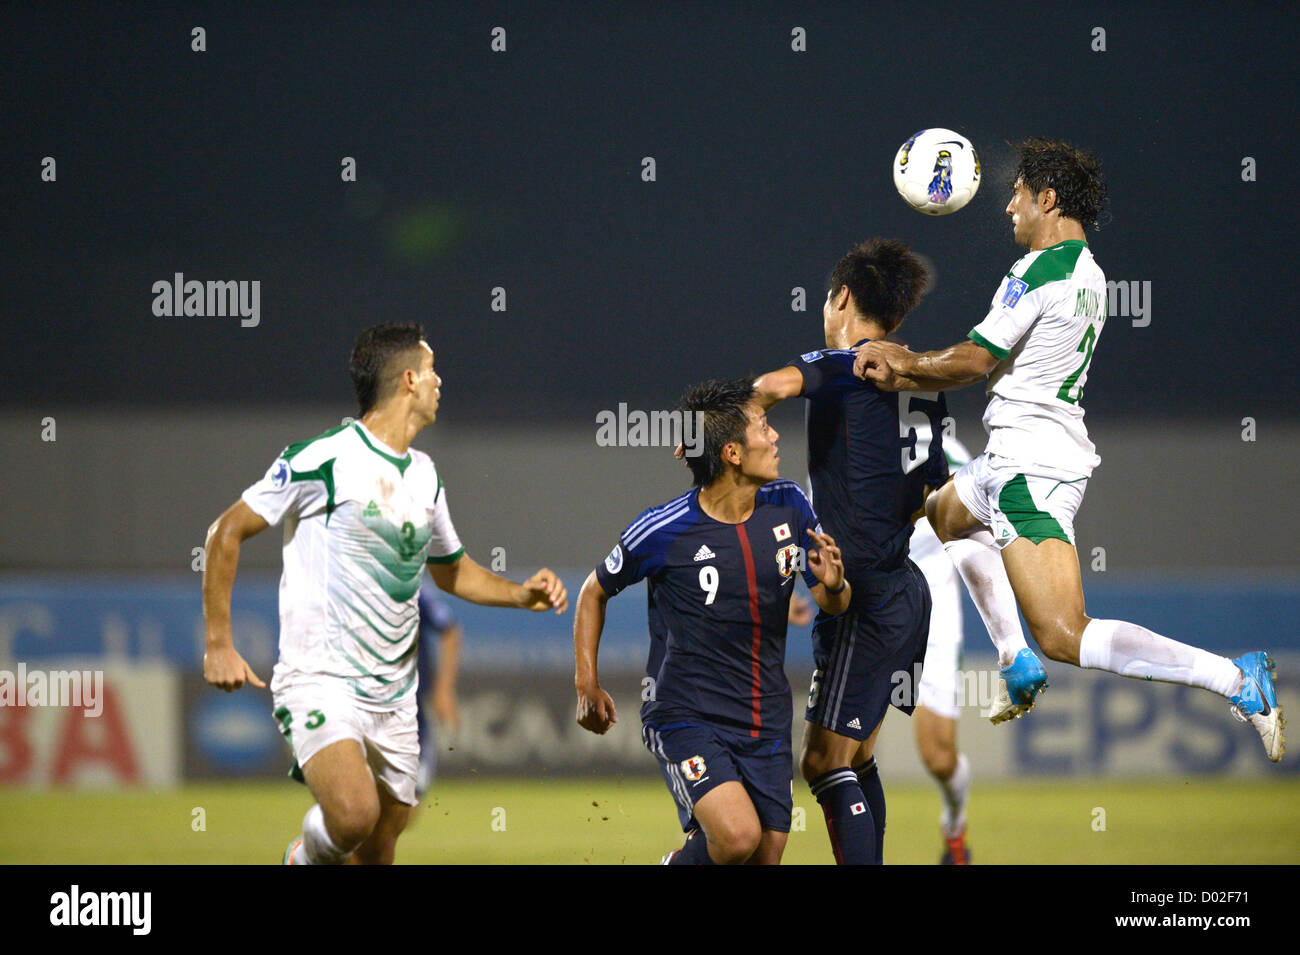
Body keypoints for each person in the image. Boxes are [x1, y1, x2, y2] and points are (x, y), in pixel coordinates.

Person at [853, 138, 1284, 761]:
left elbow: (976, 361)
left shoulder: (1042, 269)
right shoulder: (1090, 272)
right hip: (1018, 454)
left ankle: (1237, 679)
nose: (1009, 209)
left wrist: (903, 366)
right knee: (947, 513)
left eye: (1018, 195)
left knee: (1064, 631)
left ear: (1046, 199)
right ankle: (1013, 661)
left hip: (1031, 466)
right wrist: (913, 366)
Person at [201, 322, 569, 866]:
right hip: (321, 679)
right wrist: (218, 642)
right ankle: (301, 857)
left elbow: (452, 572)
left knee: (379, 847)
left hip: (395, 699)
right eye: (434, 368)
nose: (442, 381)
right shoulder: (324, 458)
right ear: (408, 379)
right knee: (352, 814)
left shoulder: (425, 476)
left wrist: (521, 595)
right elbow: (225, 530)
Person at [574, 378, 850, 865]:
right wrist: (587, 684)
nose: (775, 437)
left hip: (765, 716)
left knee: (764, 853)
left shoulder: (790, 503)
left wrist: (832, 585)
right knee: (737, 837)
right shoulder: (663, 531)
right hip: (686, 714)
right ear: (732, 453)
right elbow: (594, 591)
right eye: (763, 427)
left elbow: (834, 604)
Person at [751, 237, 949, 864]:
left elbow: (772, 384)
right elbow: (930, 493)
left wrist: (725, 429)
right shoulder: (922, 379)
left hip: (861, 598)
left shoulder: (850, 362)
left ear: (840, 297)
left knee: (822, 760)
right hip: (905, 589)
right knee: (856, 756)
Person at [908, 427, 976, 864]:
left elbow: (975, 519)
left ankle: (955, 826)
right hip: (866, 614)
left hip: (933, 619)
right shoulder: (842, 447)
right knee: (837, 755)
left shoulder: (942, 449)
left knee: (937, 757)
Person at [413, 585, 463, 805]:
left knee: (408, 803)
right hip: (361, 703)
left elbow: (449, 629)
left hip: (410, 709)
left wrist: (443, 691)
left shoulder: (413, 589)